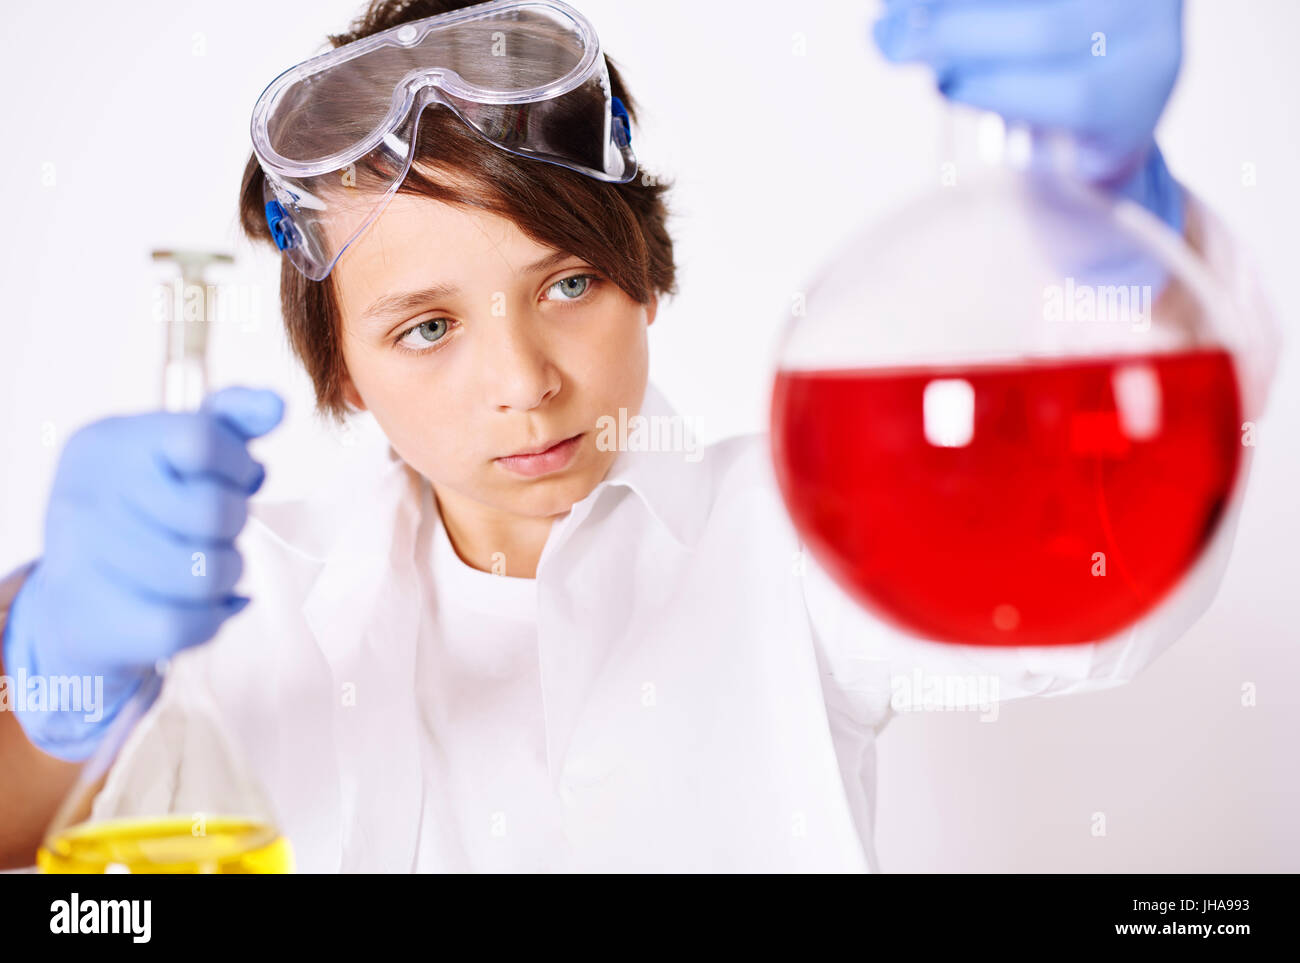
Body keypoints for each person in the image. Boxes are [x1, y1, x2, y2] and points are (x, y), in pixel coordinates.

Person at [0, 0, 1278, 871]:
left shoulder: (794, 539)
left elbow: (1090, 576)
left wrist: (1106, 218)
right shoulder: (222, 604)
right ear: (339, 370)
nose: (524, 383)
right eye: (426, 328)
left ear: (647, 278)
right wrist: (54, 673)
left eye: (566, 285)